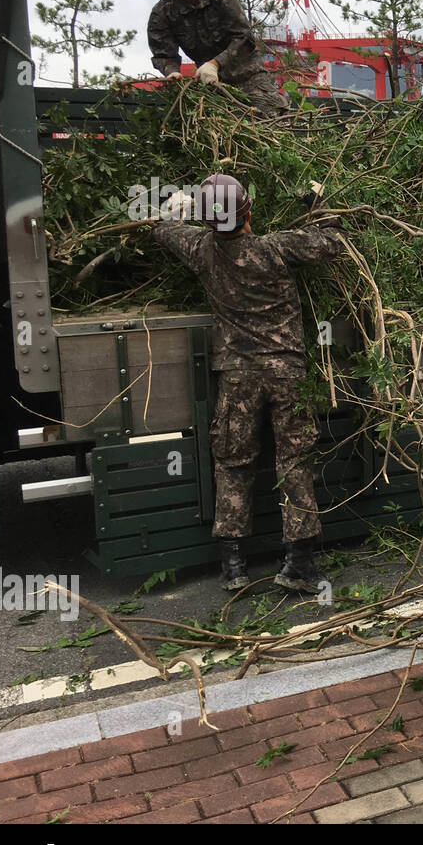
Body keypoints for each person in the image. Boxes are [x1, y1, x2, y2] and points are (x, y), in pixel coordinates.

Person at [149, 174, 345, 592]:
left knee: (233, 461)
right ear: (248, 213)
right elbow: (331, 242)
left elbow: (162, 229)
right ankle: (298, 564)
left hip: (237, 376)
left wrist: (171, 210)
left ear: (207, 222)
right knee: (294, 460)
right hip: (286, 374)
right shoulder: (276, 248)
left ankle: (234, 567)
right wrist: (317, 203)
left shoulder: (201, 249)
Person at [147, 0, 288, 113]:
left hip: (250, 80)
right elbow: (164, 55)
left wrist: (215, 63)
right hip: (210, 88)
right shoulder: (163, 13)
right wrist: (172, 73)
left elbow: (245, 38)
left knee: (269, 118)